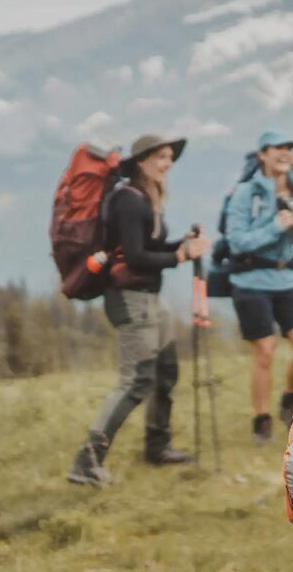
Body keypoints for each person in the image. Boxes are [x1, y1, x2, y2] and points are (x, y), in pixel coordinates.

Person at [66, 134, 212, 486]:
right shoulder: (128, 201)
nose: (167, 163)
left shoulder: (144, 199)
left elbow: (150, 245)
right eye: (161, 157)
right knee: (136, 380)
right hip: (131, 299)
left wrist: (182, 242)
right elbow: (135, 256)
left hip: (147, 298)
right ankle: (86, 462)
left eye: (169, 158)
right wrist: (180, 256)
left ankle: (157, 447)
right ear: (142, 162)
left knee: (166, 370)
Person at [223, 129, 293, 444]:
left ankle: (288, 399)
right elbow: (237, 241)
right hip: (250, 280)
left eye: (288, 147)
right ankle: (260, 420)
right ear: (262, 154)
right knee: (265, 351)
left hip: (287, 277)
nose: (283, 152)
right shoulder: (246, 193)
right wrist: (276, 226)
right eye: (276, 148)